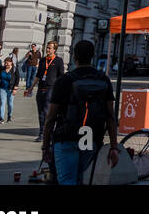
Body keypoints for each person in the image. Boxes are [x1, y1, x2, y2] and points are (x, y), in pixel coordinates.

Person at [42, 41, 119, 185]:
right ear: (92, 56)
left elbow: (50, 117)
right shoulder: (103, 80)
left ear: (74, 56)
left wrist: (45, 146)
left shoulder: (64, 80)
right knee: (79, 179)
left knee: (67, 180)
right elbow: (110, 116)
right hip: (91, 138)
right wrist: (114, 146)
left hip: (66, 137)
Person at [32, 41, 65, 142]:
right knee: (41, 113)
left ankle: (48, 133)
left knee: (46, 111)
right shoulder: (42, 60)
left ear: (54, 49)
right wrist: (31, 86)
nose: (47, 50)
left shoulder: (58, 61)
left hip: (51, 88)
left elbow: (61, 76)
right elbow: (38, 75)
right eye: (47, 47)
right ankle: (42, 133)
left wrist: (61, 89)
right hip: (41, 88)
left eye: (50, 48)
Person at [0, 58, 15, 123]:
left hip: (11, 89)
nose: (6, 64)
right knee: (2, 103)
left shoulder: (14, 69)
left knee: (10, 104)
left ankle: (9, 116)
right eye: (5, 63)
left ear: (11, 63)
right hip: (2, 88)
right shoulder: (2, 69)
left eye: (7, 63)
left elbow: (17, 79)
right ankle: (1, 118)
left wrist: (15, 89)